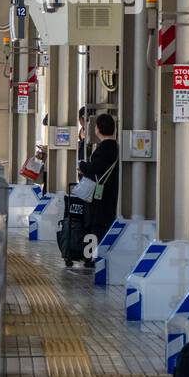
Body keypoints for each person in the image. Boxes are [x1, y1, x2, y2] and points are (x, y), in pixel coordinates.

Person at [77, 113, 119, 265]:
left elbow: (95, 168)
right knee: (102, 224)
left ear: (99, 129)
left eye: (95, 126)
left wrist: (82, 166)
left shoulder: (105, 148)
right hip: (109, 193)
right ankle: (94, 256)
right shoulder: (115, 147)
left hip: (100, 195)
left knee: (96, 225)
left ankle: (92, 257)